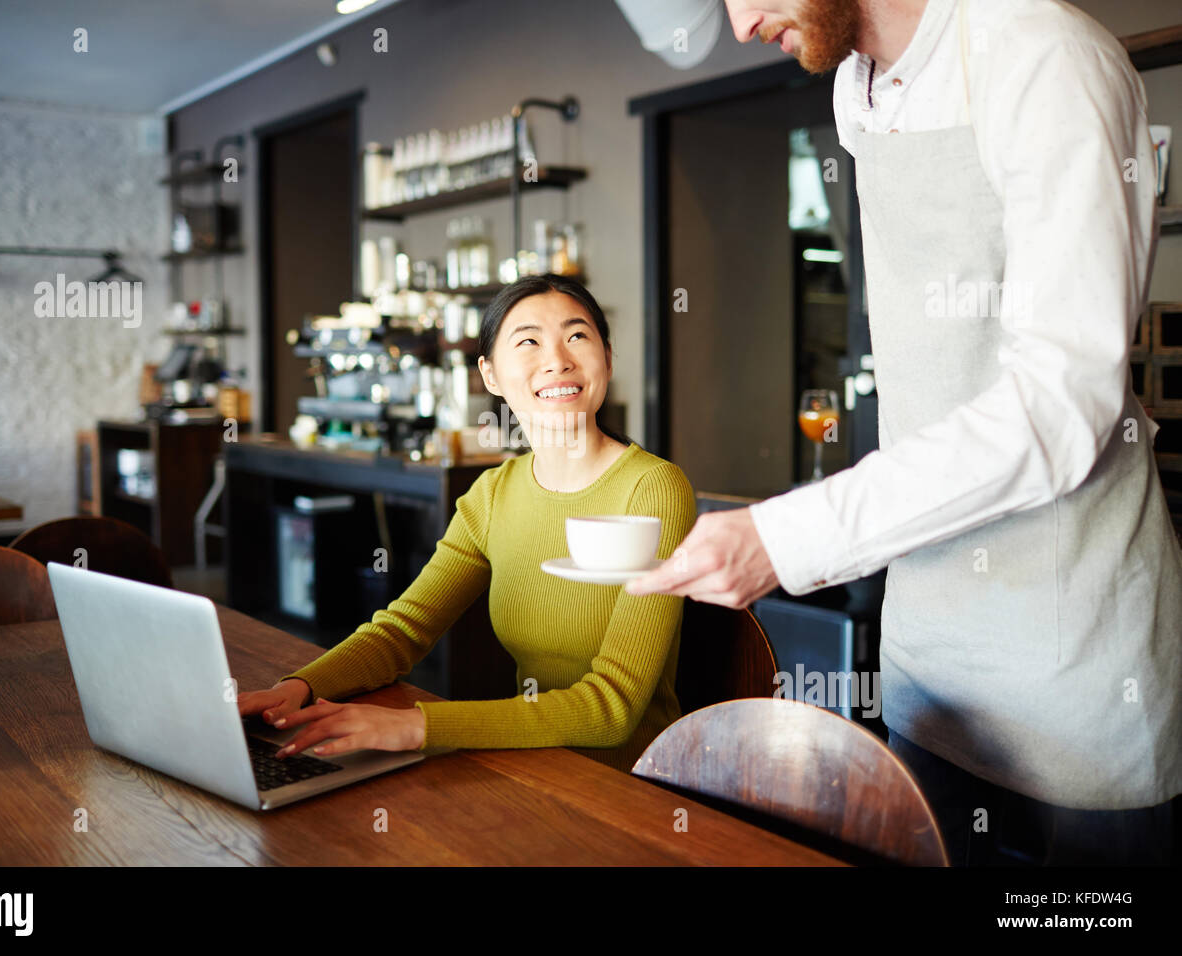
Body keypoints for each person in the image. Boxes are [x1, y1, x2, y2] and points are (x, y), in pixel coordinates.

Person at [626, 0, 1182, 865]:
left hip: (1074, 670)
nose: (737, 25)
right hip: (928, 667)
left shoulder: (1043, 55)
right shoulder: (858, 89)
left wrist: (787, 536)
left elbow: (1060, 405)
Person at [238, 274, 697, 773]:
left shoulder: (653, 488)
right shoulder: (492, 493)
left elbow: (612, 711)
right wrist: (296, 689)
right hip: (530, 769)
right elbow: (402, 631)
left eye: (577, 336)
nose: (557, 359)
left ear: (607, 357)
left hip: (631, 788)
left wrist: (416, 726)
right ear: (490, 374)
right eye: (528, 341)